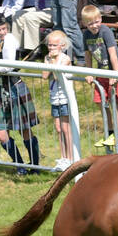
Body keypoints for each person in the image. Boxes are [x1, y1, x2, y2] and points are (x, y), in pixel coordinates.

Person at [0, 12, 41, 174]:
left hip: (16, 88)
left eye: (4, 28)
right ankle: (20, 166)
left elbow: (7, 67)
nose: (2, 32)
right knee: (2, 135)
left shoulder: (10, 40)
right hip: (3, 90)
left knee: (24, 130)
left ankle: (35, 166)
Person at [80, 5, 118, 148]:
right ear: (85, 24)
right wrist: (89, 72)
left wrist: (114, 74)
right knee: (100, 102)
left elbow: (113, 54)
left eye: (96, 21)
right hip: (101, 73)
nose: (94, 26)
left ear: (100, 19)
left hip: (113, 71)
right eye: (90, 23)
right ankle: (109, 132)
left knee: (114, 102)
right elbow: (87, 56)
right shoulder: (86, 35)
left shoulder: (106, 31)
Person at [40, 30, 76, 169]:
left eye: (54, 45)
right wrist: (49, 60)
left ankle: (71, 158)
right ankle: (63, 157)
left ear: (62, 45)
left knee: (66, 128)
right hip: (54, 97)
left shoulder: (65, 59)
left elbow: (56, 75)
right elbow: (44, 75)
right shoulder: (47, 58)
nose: (51, 48)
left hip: (65, 97)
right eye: (49, 45)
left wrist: (53, 60)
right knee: (58, 128)